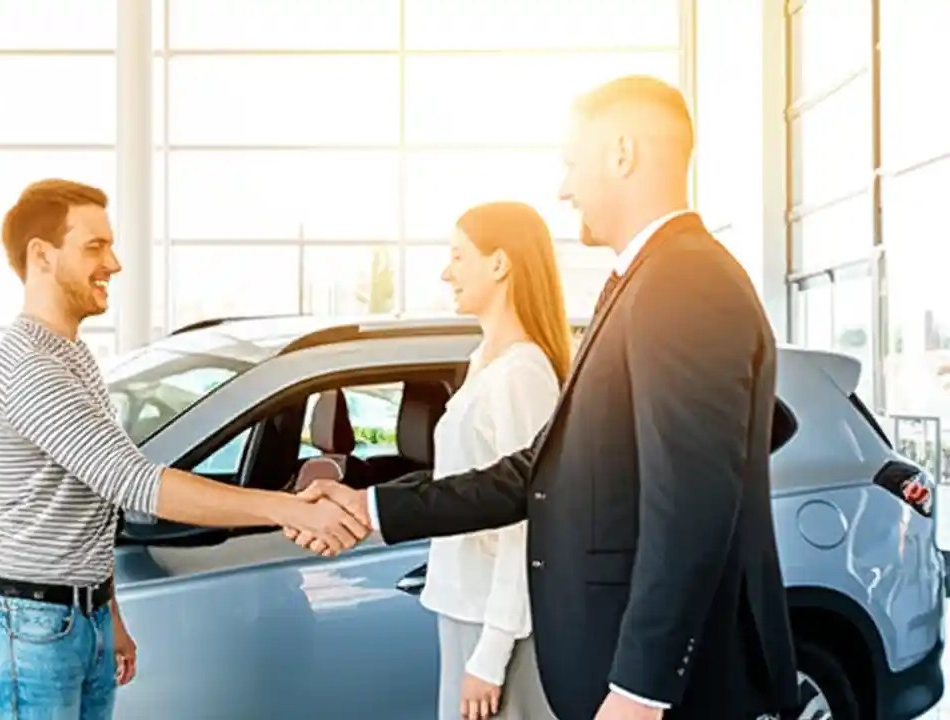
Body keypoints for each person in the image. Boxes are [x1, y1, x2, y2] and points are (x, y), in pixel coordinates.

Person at [291, 76, 800, 720]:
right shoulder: (647, 280)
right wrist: (371, 505)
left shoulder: (683, 281)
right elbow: (541, 472)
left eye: (572, 164)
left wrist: (641, 690)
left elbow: (691, 504)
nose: (564, 189)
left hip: (670, 692)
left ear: (622, 153)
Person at [0, 178, 369, 720]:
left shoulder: (71, 354)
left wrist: (106, 612)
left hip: (73, 615)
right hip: (33, 624)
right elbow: (133, 481)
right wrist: (287, 509)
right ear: (42, 255)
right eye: (95, 247)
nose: (114, 264)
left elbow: (93, 498)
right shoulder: (30, 366)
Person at [423, 202, 569, 720]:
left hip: (493, 625)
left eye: (458, 256)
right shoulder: (483, 363)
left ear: (500, 263)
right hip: (464, 611)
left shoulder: (520, 374)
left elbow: (529, 520)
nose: (447, 273)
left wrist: (490, 654)